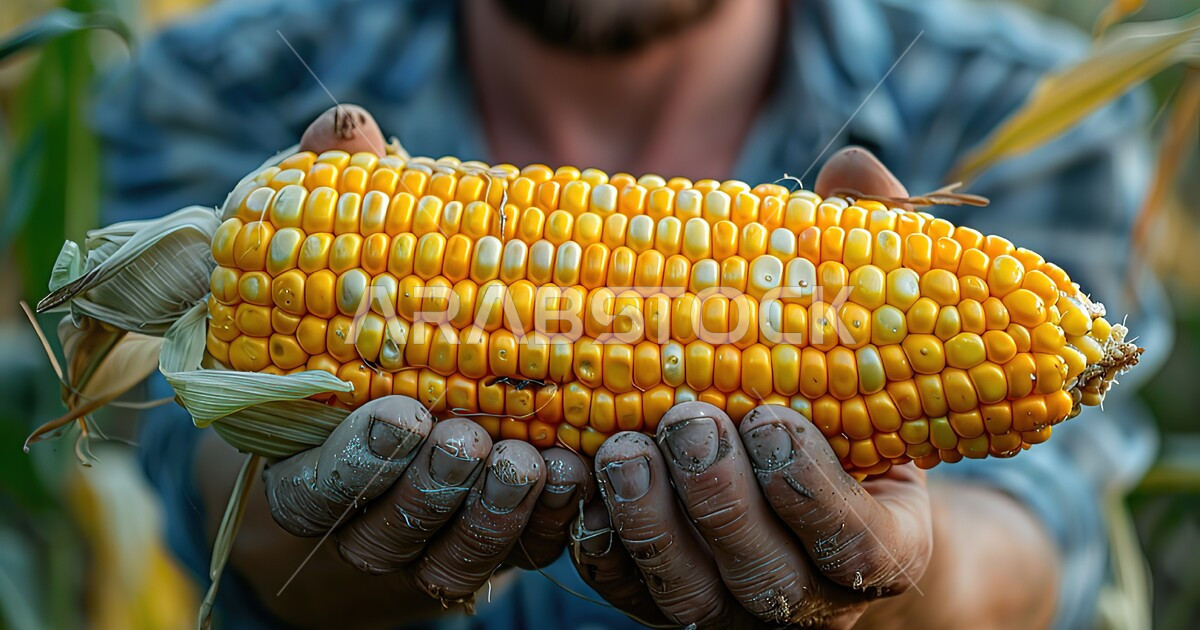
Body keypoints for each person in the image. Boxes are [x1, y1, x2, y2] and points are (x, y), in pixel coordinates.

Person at [94, 0, 1164, 627]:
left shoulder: (1024, 101)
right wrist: (312, 548)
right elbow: (201, 473)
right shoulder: (207, 78)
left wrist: (895, 594)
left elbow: (1036, 530)